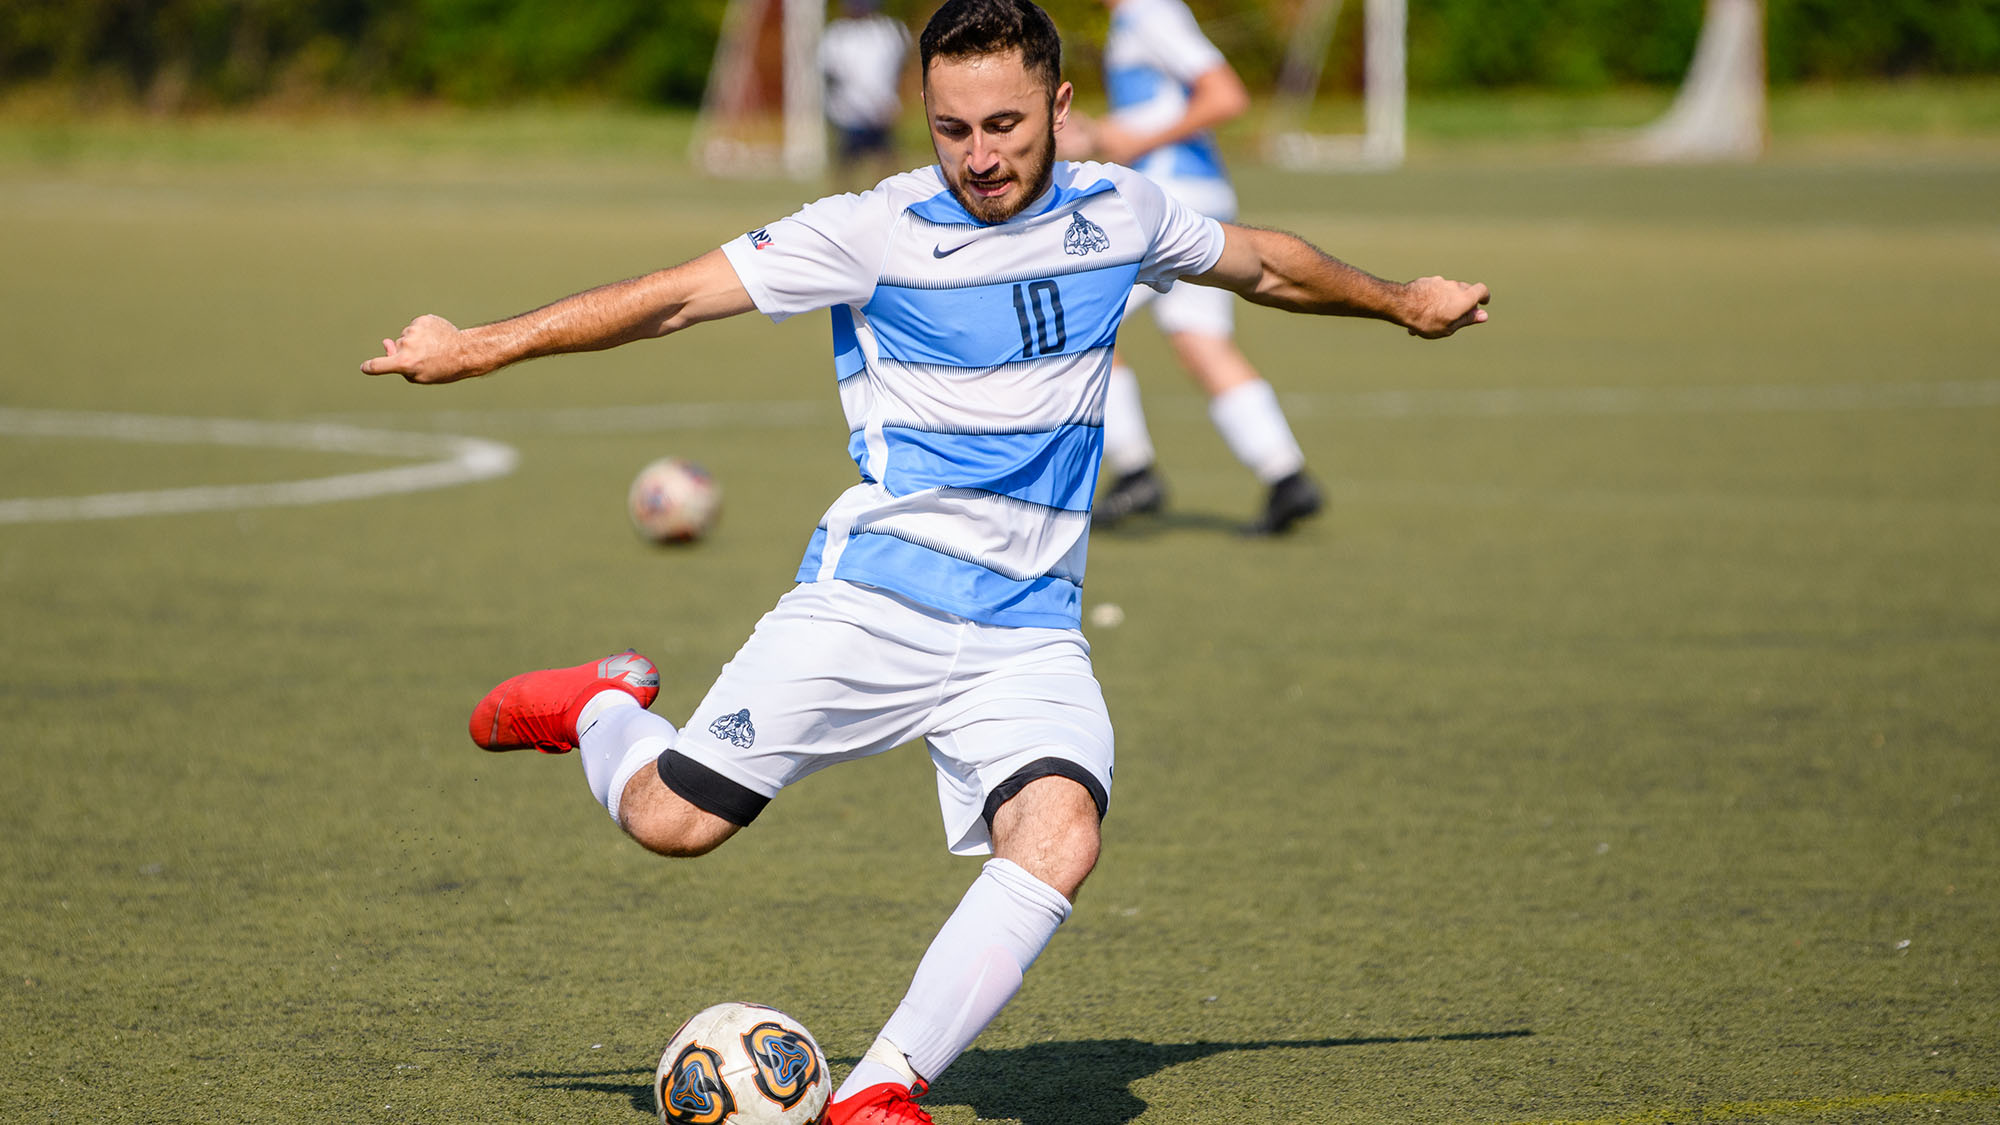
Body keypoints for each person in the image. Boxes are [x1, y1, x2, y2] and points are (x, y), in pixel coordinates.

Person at [361, 1, 1488, 1122]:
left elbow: (1265, 267)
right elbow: (668, 300)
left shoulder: (1121, 209)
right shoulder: (870, 228)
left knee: (1059, 832)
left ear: (1058, 106)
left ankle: (881, 1089)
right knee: (671, 822)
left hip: (1029, 628)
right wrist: (477, 345)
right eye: (951, 129)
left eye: (1003, 124)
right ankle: (604, 708)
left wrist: (1401, 303)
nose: (979, 156)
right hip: (873, 600)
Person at [1064, 0, 1320, 534]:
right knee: (1200, 341)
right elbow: (1161, 108)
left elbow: (1225, 94)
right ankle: (1286, 476)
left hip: (1168, 205)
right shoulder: (1136, 18)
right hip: (1194, 196)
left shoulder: (1149, 13)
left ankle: (1134, 470)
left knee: (1076, 320)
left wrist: (1136, 140)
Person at [822, 0, 913, 191]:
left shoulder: (887, 32)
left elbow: (898, 68)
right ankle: (841, 199)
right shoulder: (838, 35)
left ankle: (890, 195)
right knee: (847, 161)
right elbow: (832, 74)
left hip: (881, 109)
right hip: (850, 111)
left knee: (886, 158)